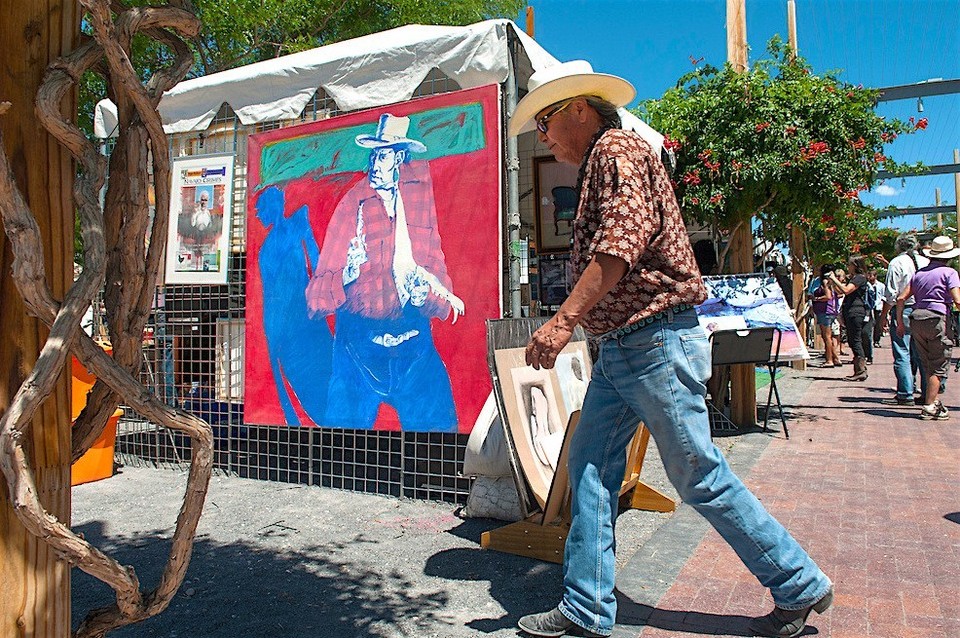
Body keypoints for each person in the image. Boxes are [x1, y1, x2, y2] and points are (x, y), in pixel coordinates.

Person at [507, 59, 832, 638]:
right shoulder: (612, 156)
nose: (544, 135)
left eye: (548, 120)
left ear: (580, 109)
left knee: (697, 474)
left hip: (651, 341)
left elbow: (618, 248)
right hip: (630, 346)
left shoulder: (615, 152)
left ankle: (797, 582)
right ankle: (586, 608)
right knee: (589, 467)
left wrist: (561, 323)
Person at [305, 114, 465, 431]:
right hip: (358, 350)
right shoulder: (353, 204)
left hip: (413, 346)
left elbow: (440, 283)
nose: (377, 164)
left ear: (400, 157)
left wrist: (427, 297)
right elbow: (315, 300)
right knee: (341, 455)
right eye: (375, 155)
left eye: (386, 155)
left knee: (441, 440)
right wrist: (346, 275)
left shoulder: (417, 202)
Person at [896, 236, 960, 420]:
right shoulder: (949, 273)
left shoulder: (919, 273)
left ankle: (935, 401)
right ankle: (929, 405)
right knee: (939, 364)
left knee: (926, 363)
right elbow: (957, 299)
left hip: (917, 318)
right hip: (937, 319)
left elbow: (901, 298)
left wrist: (900, 323)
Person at [879, 233, 929, 405]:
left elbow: (891, 294)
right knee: (922, 353)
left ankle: (905, 393)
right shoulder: (925, 261)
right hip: (924, 309)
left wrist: (883, 315)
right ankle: (926, 393)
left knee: (902, 352)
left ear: (898, 246)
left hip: (904, 309)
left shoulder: (896, 263)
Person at [826, 255, 869, 380]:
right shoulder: (854, 278)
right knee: (852, 340)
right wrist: (833, 283)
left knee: (855, 340)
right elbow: (840, 292)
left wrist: (835, 278)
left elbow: (846, 290)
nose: (848, 267)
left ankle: (861, 370)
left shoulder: (860, 278)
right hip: (849, 311)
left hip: (856, 311)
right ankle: (858, 370)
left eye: (849, 265)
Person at [810, 264, 841, 367]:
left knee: (826, 336)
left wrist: (816, 299)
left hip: (825, 311)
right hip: (831, 310)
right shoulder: (834, 282)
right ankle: (835, 358)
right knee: (829, 336)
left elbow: (828, 296)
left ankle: (829, 360)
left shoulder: (824, 281)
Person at [868, 270, 885, 348]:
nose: (870, 278)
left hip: (878, 306)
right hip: (869, 306)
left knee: (877, 325)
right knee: (869, 324)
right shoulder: (867, 285)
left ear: (875, 276)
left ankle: (876, 340)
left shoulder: (881, 286)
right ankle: (868, 340)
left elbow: (884, 296)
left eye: (871, 276)